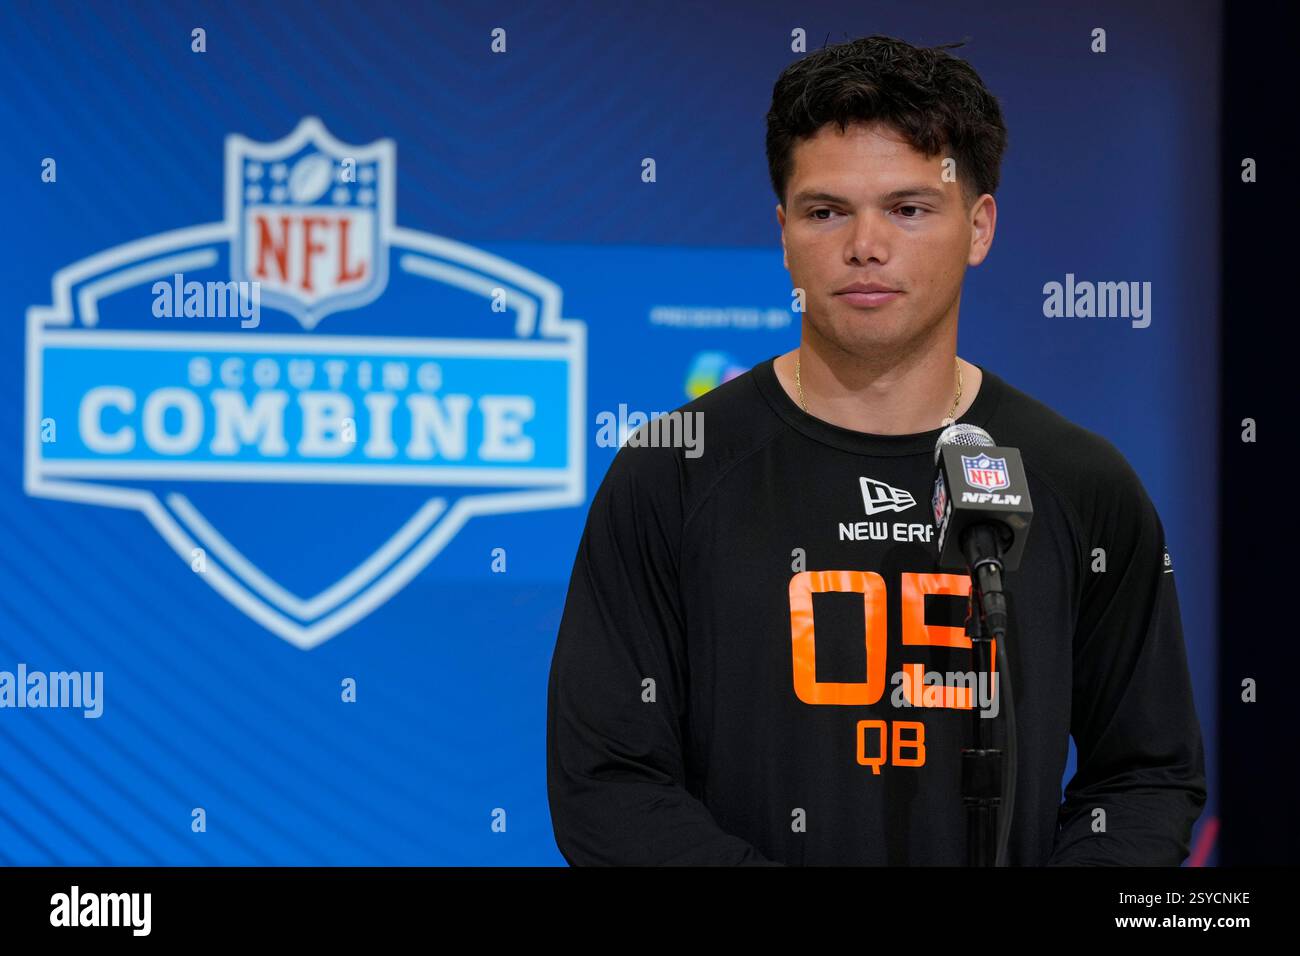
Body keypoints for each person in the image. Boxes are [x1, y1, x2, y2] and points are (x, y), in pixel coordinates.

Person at [546, 34, 1206, 865]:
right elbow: (606, 784)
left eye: (908, 208)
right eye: (826, 211)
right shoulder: (672, 470)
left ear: (979, 227)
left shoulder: (1080, 480)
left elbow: (1147, 774)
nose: (866, 246)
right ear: (783, 231)